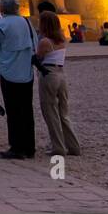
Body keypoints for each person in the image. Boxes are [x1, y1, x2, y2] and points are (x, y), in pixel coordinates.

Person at [0, 0, 37, 160]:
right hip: (26, 72)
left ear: (2, 8)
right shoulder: (26, 22)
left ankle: (16, 147)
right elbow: (35, 44)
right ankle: (30, 147)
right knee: (27, 109)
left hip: (9, 72)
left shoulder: (2, 25)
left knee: (13, 111)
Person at [36, 10, 81, 157]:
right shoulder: (61, 39)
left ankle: (58, 147)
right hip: (61, 75)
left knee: (50, 112)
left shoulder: (44, 42)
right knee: (63, 113)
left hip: (49, 75)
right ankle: (73, 146)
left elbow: (38, 59)